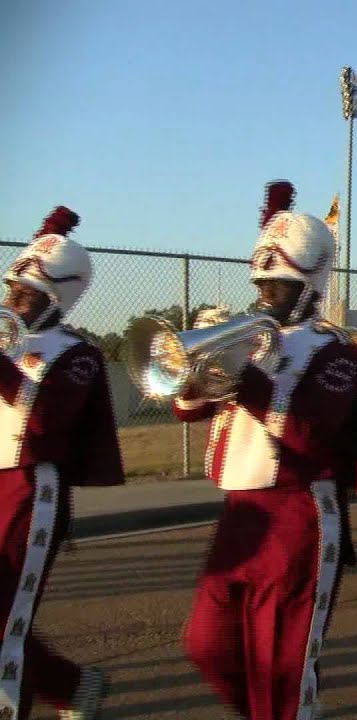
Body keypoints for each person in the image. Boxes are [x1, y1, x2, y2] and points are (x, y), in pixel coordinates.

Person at [174, 181, 357, 720]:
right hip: (240, 512)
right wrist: (198, 374)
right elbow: (186, 411)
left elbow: (311, 434)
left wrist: (245, 378)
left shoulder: (333, 351)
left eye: (276, 285)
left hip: (299, 513)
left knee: (279, 671)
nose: (262, 296)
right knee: (205, 644)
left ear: (307, 287)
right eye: (260, 283)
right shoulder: (252, 339)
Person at [0, 207, 123, 720]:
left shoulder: (76, 354)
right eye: (11, 289)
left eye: (23, 294)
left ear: (56, 298)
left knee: (5, 625)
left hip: (33, 492)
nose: (10, 301)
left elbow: (45, 421)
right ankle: (72, 687)